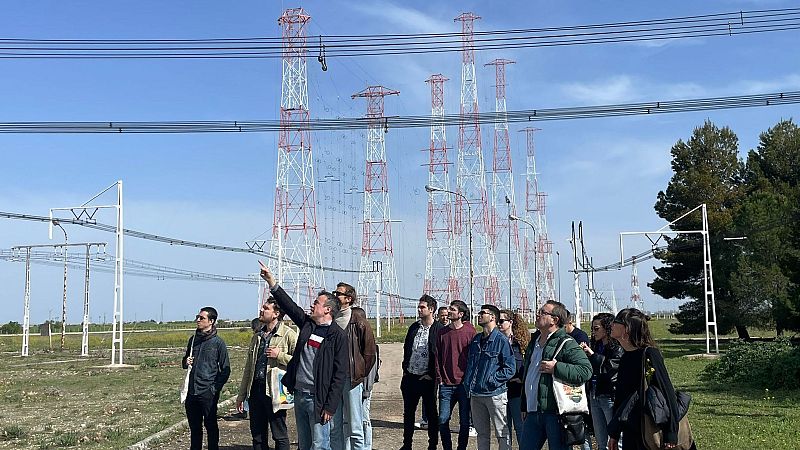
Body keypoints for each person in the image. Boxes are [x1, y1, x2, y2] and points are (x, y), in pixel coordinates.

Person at [260, 263, 349, 450]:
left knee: (320, 444)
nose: (312, 305)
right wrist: (271, 282)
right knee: (305, 444)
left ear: (327, 310)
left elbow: (340, 374)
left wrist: (330, 406)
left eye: (316, 303)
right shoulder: (308, 325)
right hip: (300, 395)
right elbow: (290, 306)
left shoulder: (337, 336)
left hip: (318, 399)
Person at [607, 308, 692, 450]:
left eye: (615, 321)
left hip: (650, 427)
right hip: (631, 430)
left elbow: (667, 392)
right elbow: (621, 398)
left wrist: (671, 432)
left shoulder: (650, 354)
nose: (611, 324)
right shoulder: (625, 357)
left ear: (627, 328)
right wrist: (614, 433)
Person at [520, 300, 592, 450]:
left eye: (543, 312)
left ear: (554, 320)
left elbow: (585, 370)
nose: (537, 314)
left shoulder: (566, 342)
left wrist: (557, 367)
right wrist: (524, 405)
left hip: (555, 412)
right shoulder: (534, 342)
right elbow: (529, 375)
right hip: (533, 411)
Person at [236, 298, 298, 450]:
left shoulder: (288, 334)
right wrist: (242, 395)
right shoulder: (257, 336)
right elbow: (249, 368)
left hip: (275, 391)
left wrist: (279, 356)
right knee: (257, 436)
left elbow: (300, 362)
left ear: (276, 313)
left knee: (279, 434)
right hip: (256, 390)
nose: (261, 310)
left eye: (266, 308)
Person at [462, 304, 515, 450]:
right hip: (476, 393)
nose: (479, 315)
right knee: (482, 434)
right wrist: (468, 382)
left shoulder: (501, 340)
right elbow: (470, 364)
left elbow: (510, 368)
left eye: (483, 313)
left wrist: (491, 380)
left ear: (492, 317)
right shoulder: (476, 339)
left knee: (502, 433)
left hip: (494, 394)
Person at [331, 282, 377, 450]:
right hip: (332, 380)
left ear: (348, 299)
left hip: (351, 380)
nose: (335, 296)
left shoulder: (359, 322)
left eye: (338, 294)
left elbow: (370, 353)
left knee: (355, 426)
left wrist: (359, 374)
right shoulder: (331, 320)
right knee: (334, 427)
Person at [182, 306, 231, 450]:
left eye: (202, 318)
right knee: (194, 428)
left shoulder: (218, 343)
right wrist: (186, 361)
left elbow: (226, 369)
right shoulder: (193, 340)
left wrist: (214, 389)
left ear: (211, 321)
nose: (198, 320)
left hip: (208, 392)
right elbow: (185, 361)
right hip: (192, 391)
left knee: (211, 426)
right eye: (197, 317)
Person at [400, 294, 444, 450]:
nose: (419, 310)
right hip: (410, 377)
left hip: (427, 379)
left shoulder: (439, 329)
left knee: (431, 413)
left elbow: (440, 354)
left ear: (431, 309)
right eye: (419, 307)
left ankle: (432, 445)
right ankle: (407, 444)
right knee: (408, 413)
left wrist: (431, 374)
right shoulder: (414, 327)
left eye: (422, 307)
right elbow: (407, 348)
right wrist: (405, 370)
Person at [434, 300, 477, 450]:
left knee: (464, 422)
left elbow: (474, 358)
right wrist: (440, 378)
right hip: (446, 384)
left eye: (452, 309)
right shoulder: (442, 333)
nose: (449, 311)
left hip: (463, 385)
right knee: (442, 419)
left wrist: (469, 380)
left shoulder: (470, 332)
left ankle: (461, 448)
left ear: (460, 314)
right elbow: (437, 356)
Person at [579, 313, 623, 450]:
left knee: (615, 438)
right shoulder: (596, 345)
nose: (594, 332)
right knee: (600, 440)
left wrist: (592, 355)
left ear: (607, 328)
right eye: (592, 329)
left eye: (597, 328)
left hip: (609, 395)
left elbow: (609, 369)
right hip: (594, 393)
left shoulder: (616, 347)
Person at [499, 309, 529, 447]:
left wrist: (521, 379)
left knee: (520, 426)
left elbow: (527, 363)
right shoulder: (496, 341)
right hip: (501, 389)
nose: (499, 324)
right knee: (504, 428)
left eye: (501, 321)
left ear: (510, 322)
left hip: (516, 390)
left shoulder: (520, 342)